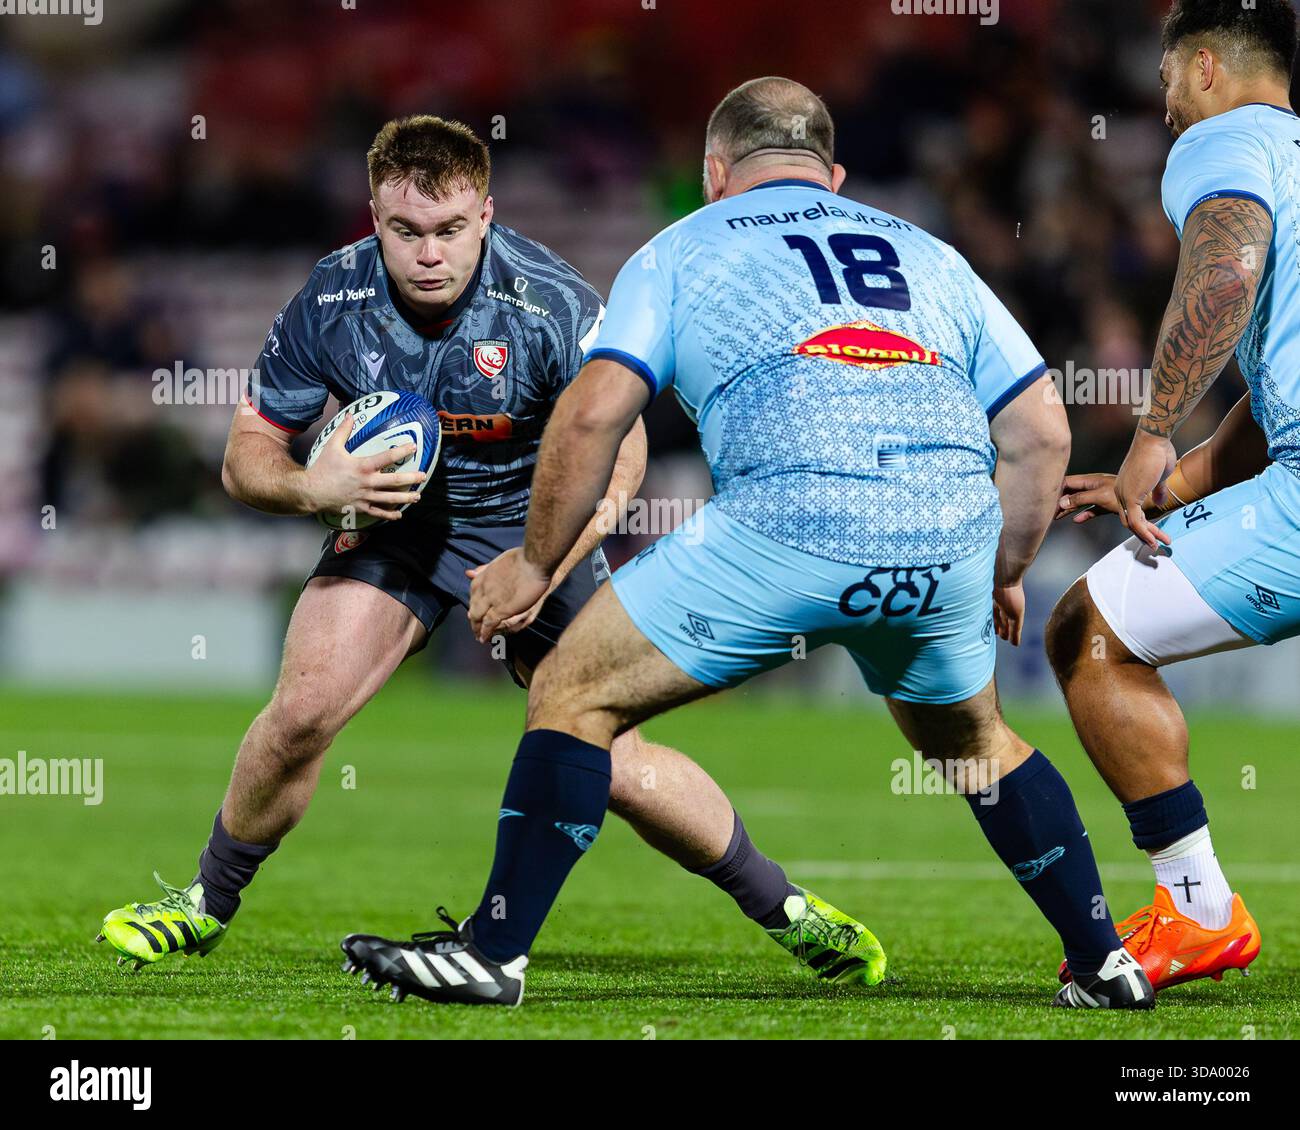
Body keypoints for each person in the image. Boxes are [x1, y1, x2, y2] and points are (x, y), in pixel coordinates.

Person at [341, 80, 1153, 1010]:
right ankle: (1104, 963)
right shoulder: (933, 254)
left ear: (714, 175)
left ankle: (492, 953)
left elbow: (596, 409)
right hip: (946, 533)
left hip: (790, 519)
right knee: (975, 743)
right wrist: (1003, 571)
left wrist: (532, 562)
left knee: (570, 693)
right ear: (833, 177)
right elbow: (1042, 434)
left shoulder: (683, 245)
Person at [96, 114, 884, 991]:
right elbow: (247, 454)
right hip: (393, 523)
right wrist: (314, 490)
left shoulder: (549, 301)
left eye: (448, 231)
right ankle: (203, 902)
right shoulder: (331, 298)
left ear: (486, 216)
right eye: (404, 231)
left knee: (608, 753)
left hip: (538, 524)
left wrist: (541, 564)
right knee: (303, 710)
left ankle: (787, 908)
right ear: (373, 219)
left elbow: (620, 455)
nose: (427, 253)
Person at [1047, 0, 1297, 992]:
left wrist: (1150, 432)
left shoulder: (1225, 140)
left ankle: (1195, 909)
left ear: (1204, 69)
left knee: (1088, 630)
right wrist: (1188, 473)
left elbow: (1225, 263)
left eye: (1162, 87)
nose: (1164, 111)